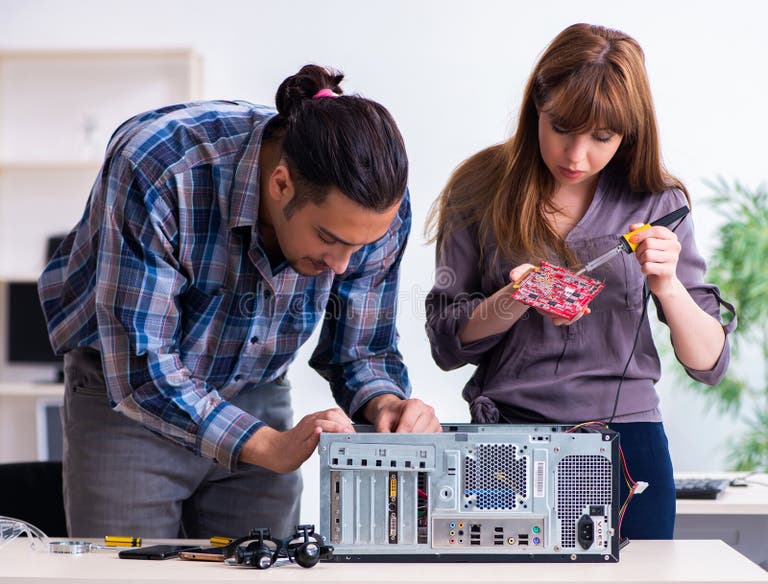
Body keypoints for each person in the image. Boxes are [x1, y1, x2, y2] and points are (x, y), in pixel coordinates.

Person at [39, 64, 441, 539]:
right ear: (281, 184)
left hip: (257, 390)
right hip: (126, 400)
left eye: (360, 248)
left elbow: (362, 349)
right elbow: (142, 368)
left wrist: (386, 402)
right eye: (329, 239)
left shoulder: (373, 209)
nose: (342, 267)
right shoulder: (161, 168)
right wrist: (266, 444)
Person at [424, 24, 735, 540]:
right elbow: (446, 344)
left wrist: (668, 286)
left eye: (602, 138)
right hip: (507, 441)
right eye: (561, 127)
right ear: (535, 108)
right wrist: (515, 296)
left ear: (629, 133)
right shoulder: (479, 187)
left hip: (628, 443)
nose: (576, 156)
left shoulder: (657, 201)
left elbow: (709, 363)